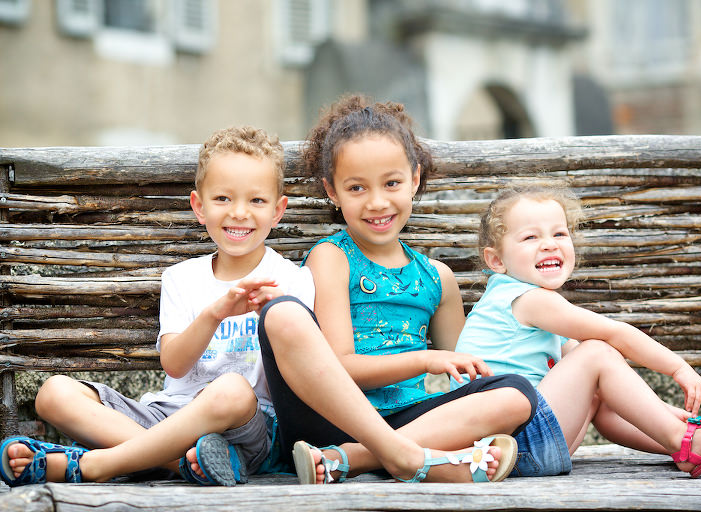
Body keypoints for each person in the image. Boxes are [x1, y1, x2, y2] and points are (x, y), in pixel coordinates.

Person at [0, 126, 314, 487]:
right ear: (199, 206)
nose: (239, 212)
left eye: (256, 201)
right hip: (167, 415)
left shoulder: (292, 281)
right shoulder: (182, 278)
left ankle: (99, 463)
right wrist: (215, 313)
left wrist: (275, 320)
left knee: (231, 389)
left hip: (246, 428)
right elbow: (175, 366)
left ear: (278, 211)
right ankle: (179, 463)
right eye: (223, 198)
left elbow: (298, 388)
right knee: (54, 394)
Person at [255, 94, 538, 485]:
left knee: (516, 393)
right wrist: (424, 361)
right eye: (356, 188)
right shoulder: (333, 258)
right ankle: (409, 458)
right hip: (331, 420)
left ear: (415, 178)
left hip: (413, 420)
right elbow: (341, 368)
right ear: (332, 192)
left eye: (391, 183)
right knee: (279, 313)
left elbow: (467, 372)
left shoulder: (437, 278)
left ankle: (361, 460)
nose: (377, 202)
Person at [451, 183, 701, 478]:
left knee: (596, 384)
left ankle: (686, 438)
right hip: (508, 448)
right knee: (597, 351)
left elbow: (607, 380)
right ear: (496, 260)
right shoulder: (527, 300)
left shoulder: (528, 305)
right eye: (530, 237)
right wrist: (679, 369)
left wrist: (667, 411)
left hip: (525, 446)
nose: (549, 244)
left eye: (559, 233)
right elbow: (614, 335)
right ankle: (685, 441)